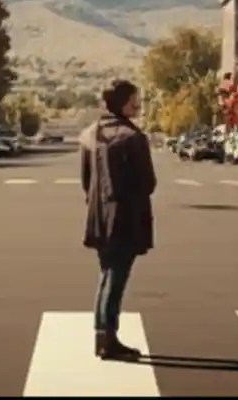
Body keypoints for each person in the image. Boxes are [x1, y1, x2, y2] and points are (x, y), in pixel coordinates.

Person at [80, 78, 156, 361]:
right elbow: (148, 182)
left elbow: (86, 181)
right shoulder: (132, 137)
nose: (138, 104)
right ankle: (109, 340)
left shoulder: (91, 134)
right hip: (125, 217)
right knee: (116, 278)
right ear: (125, 103)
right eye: (135, 99)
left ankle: (102, 334)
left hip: (98, 216)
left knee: (106, 275)